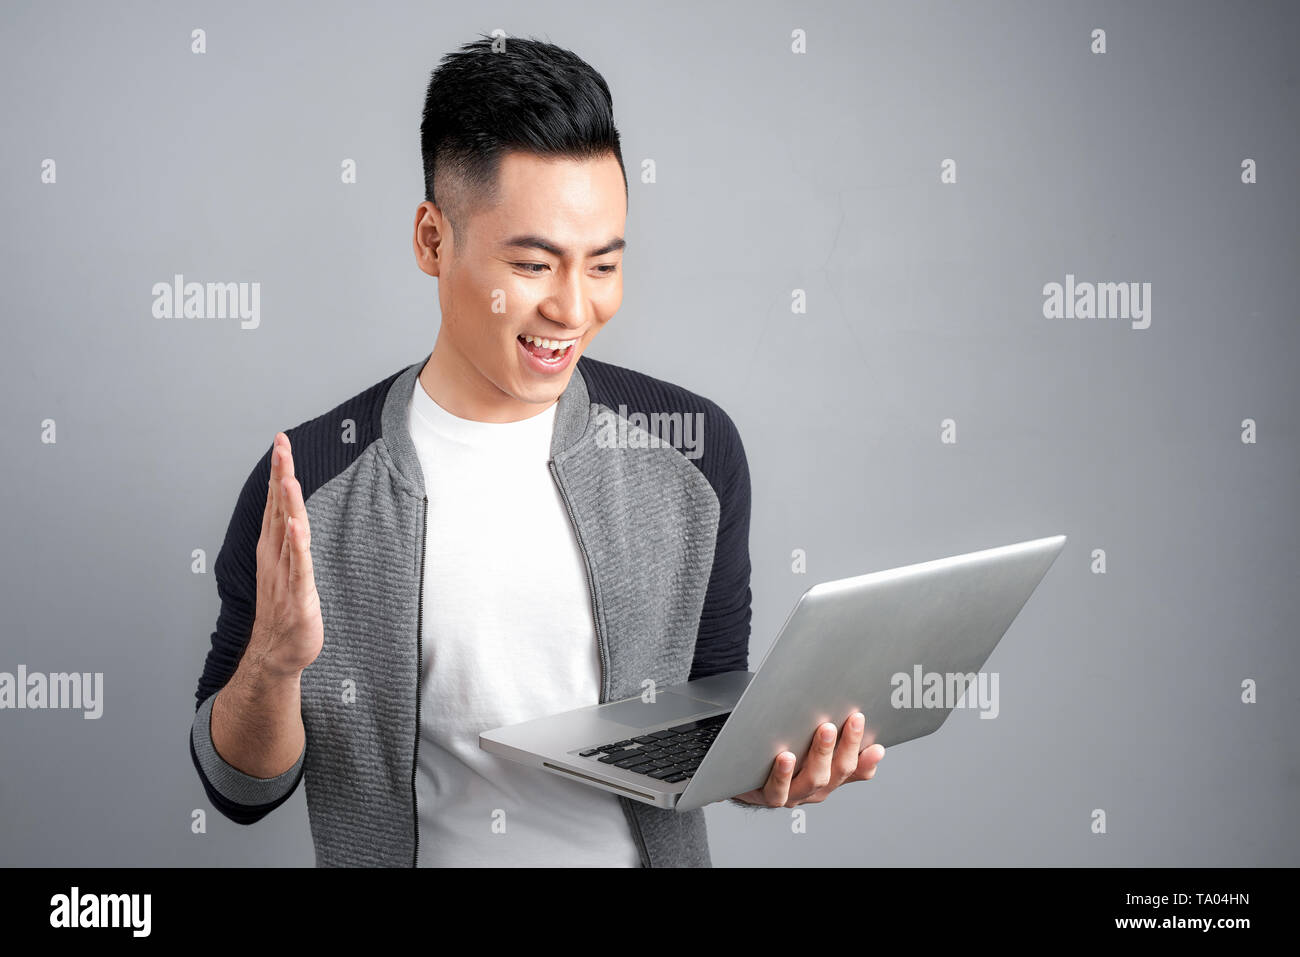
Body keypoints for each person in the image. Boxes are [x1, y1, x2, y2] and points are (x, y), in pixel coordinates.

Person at [188, 33, 884, 868]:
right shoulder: (309, 488)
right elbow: (240, 790)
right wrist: (275, 663)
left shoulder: (693, 454)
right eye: (532, 263)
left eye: (603, 265)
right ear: (433, 241)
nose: (573, 308)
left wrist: (768, 767)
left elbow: (708, 713)